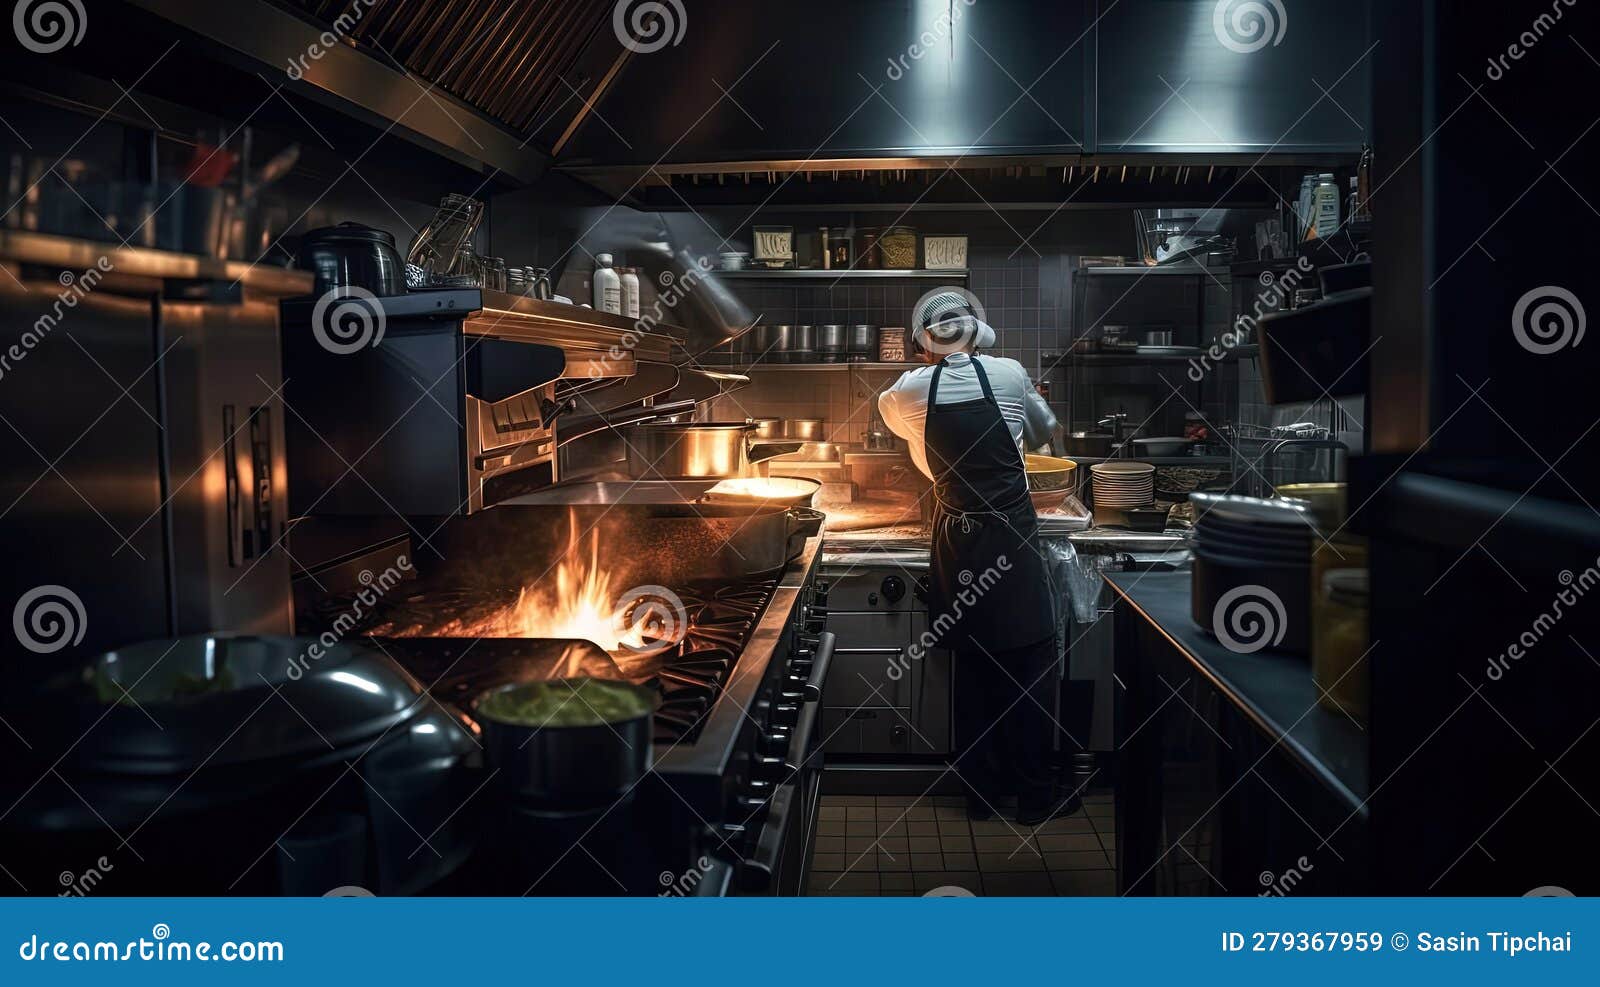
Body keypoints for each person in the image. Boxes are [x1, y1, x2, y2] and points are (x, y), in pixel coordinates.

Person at [877, 294, 1077, 825]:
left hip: (957, 537)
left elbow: (898, 422)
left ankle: (981, 796)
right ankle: (1034, 796)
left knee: (972, 665)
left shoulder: (907, 391)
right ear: (979, 333)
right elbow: (1043, 429)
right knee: (1032, 661)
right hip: (1011, 534)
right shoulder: (1010, 373)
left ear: (923, 342)